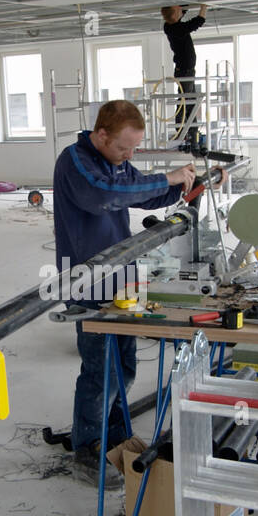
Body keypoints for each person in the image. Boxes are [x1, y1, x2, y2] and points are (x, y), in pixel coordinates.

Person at [53, 100, 195, 486]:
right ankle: (87, 447)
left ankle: (115, 436)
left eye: (134, 149)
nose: (128, 156)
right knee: (100, 370)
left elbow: (140, 195)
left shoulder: (114, 162)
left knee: (124, 366)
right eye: (123, 148)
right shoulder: (76, 160)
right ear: (100, 135)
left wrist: (186, 187)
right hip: (88, 281)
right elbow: (104, 195)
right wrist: (166, 177)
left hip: (121, 280)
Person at [161, 3, 207, 140]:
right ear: (175, 15)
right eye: (178, 10)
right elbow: (198, 22)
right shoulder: (177, 29)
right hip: (185, 72)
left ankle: (191, 132)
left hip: (186, 71)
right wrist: (203, 7)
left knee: (189, 101)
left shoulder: (171, 26)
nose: (181, 10)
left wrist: (183, 7)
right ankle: (183, 132)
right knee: (186, 101)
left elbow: (180, 16)